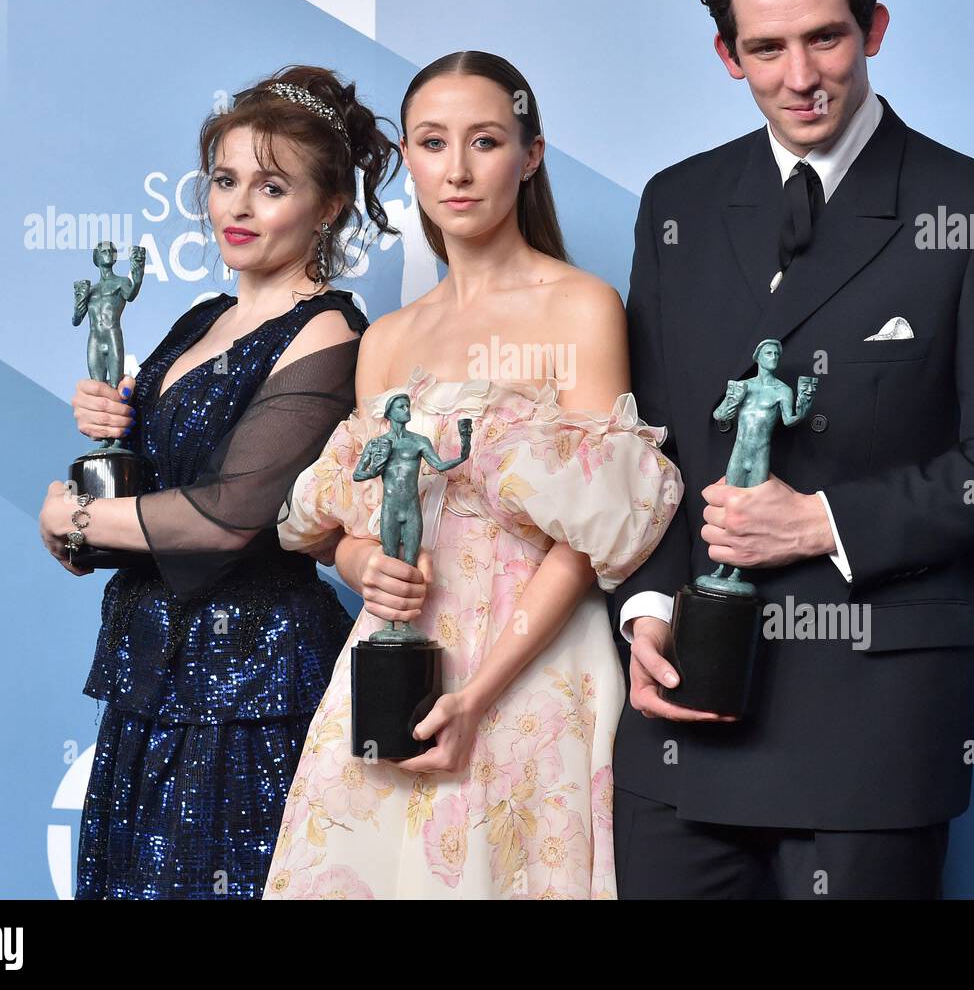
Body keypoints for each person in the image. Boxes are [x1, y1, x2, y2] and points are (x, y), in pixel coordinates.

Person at [611, 0, 974, 898]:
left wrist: (819, 521)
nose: (801, 77)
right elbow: (647, 445)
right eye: (765, 50)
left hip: (872, 722)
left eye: (827, 38)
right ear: (728, 54)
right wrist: (641, 608)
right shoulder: (676, 202)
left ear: (875, 28)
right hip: (681, 716)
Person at [262, 52, 682, 900]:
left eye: (485, 141)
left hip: (533, 668)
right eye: (431, 142)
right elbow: (346, 525)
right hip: (395, 665)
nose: (456, 169)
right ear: (408, 160)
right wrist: (360, 567)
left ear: (529, 156)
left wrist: (477, 698)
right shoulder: (388, 339)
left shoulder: (582, 307)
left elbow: (596, 535)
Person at [37, 65, 400, 898]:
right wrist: (75, 506)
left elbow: (231, 515)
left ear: (329, 206)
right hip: (148, 680)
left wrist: (84, 519)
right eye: (225, 181)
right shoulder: (196, 322)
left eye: (271, 187)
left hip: (252, 690)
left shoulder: (330, 331)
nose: (236, 207)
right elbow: (152, 496)